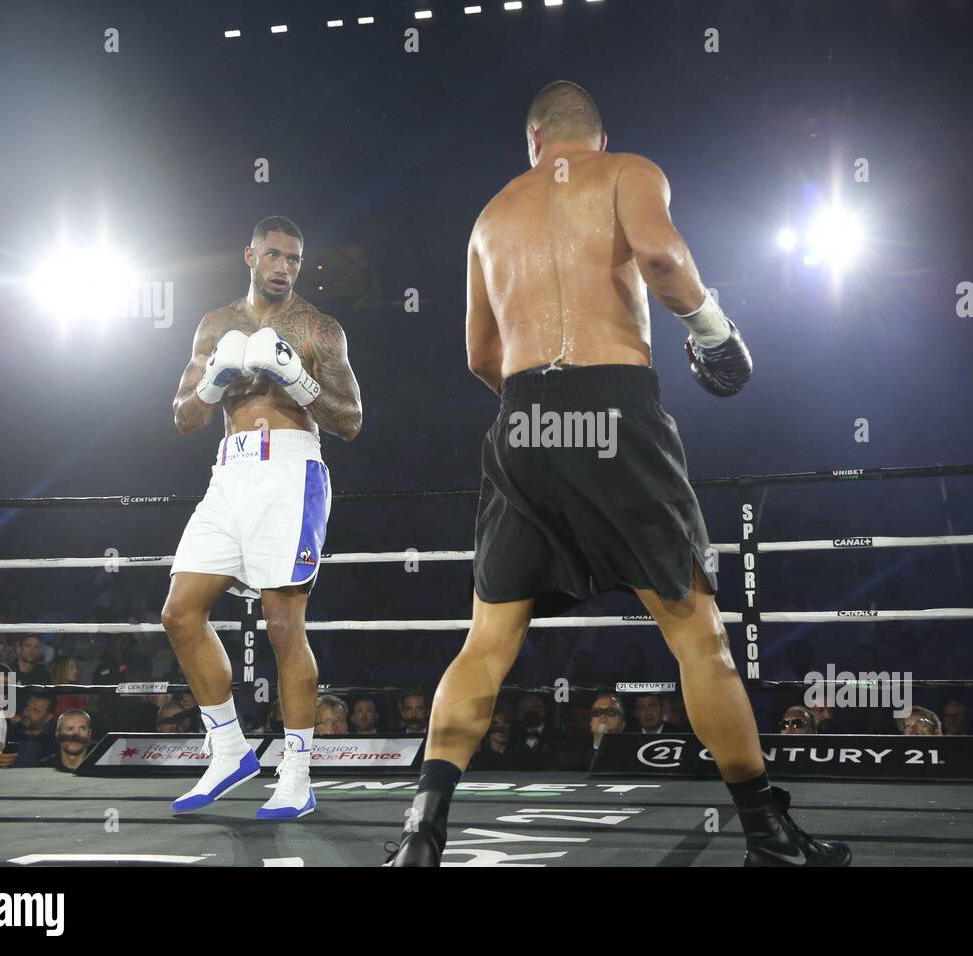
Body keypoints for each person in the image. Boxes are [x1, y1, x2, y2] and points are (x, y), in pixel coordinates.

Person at [387, 82, 847, 867]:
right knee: (696, 636)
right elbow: (663, 256)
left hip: (522, 417)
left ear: (533, 144)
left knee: (489, 638)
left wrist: (547, 414)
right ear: (597, 139)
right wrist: (713, 330)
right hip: (615, 407)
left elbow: (478, 356)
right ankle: (768, 837)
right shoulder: (628, 171)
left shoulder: (492, 214)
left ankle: (420, 840)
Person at [162, 215, 363, 820]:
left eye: (294, 259)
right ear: (249, 255)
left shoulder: (319, 329)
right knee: (180, 612)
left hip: (291, 472)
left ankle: (297, 775)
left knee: (283, 625)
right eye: (274, 255)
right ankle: (229, 749)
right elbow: (183, 419)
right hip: (230, 473)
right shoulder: (215, 325)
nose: (284, 267)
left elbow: (351, 420)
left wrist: (296, 378)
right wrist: (213, 383)